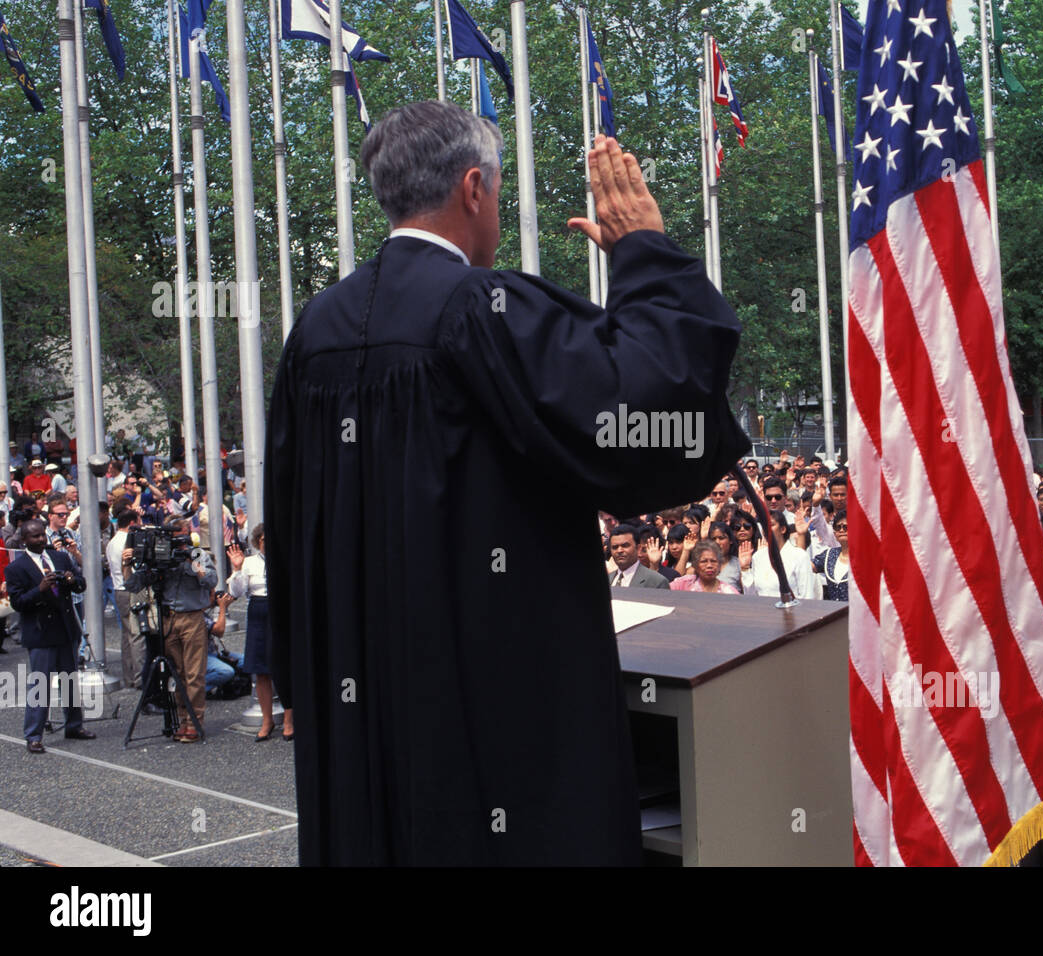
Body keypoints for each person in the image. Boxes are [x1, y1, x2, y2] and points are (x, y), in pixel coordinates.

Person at [265, 104, 748, 865]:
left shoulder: (316, 329)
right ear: (473, 188)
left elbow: (290, 527)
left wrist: (313, 684)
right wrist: (646, 257)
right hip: (490, 696)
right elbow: (652, 411)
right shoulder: (481, 309)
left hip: (358, 703)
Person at [122, 517, 218, 742]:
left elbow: (211, 580)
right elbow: (134, 584)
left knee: (194, 674)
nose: (176, 543)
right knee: (178, 674)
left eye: (180, 537)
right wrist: (127, 563)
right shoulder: (159, 555)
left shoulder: (196, 555)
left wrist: (189, 558)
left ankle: (195, 722)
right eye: (172, 538)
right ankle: (183, 720)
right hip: (168, 619)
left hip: (192, 618)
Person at [4, 519, 95, 753]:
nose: (41, 540)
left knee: (69, 681)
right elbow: (18, 603)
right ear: (24, 540)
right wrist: (40, 589)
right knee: (40, 685)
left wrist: (72, 580)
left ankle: (74, 725)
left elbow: (81, 584)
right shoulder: (16, 568)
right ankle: (34, 734)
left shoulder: (61, 557)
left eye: (42, 535)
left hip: (65, 630)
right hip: (40, 633)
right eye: (35, 537)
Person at [227, 525, 293, 742]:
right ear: (257, 541)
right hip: (258, 612)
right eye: (263, 540)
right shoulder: (250, 563)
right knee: (260, 670)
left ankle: (288, 719)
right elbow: (236, 592)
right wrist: (236, 570)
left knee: (284, 667)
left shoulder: (286, 558)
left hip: (281, 611)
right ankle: (267, 720)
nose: (267, 543)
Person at [107, 504, 146, 690]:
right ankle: (140, 678)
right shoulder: (128, 542)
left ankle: (129, 676)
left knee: (126, 634)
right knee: (137, 635)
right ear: (132, 523)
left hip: (117, 589)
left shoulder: (112, 541)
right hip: (130, 588)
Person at [739, 511, 816, 600]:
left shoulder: (800, 556)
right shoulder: (758, 556)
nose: (766, 529)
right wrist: (745, 569)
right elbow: (751, 595)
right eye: (764, 525)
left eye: (771, 525)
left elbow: (807, 596)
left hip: (791, 611)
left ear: (782, 529)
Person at [608, 524, 670, 589]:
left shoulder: (657, 582)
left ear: (638, 548)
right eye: (615, 547)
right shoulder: (606, 580)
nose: (619, 550)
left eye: (625, 545)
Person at [669, 540, 740, 594]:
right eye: (704, 561)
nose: (709, 565)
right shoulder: (684, 584)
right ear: (696, 565)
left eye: (713, 561)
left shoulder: (728, 591)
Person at [811, 510, 851, 602]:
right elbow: (804, 567)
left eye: (846, 527)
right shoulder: (829, 554)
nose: (841, 530)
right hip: (833, 613)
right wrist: (801, 535)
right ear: (834, 533)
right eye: (838, 527)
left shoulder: (866, 558)